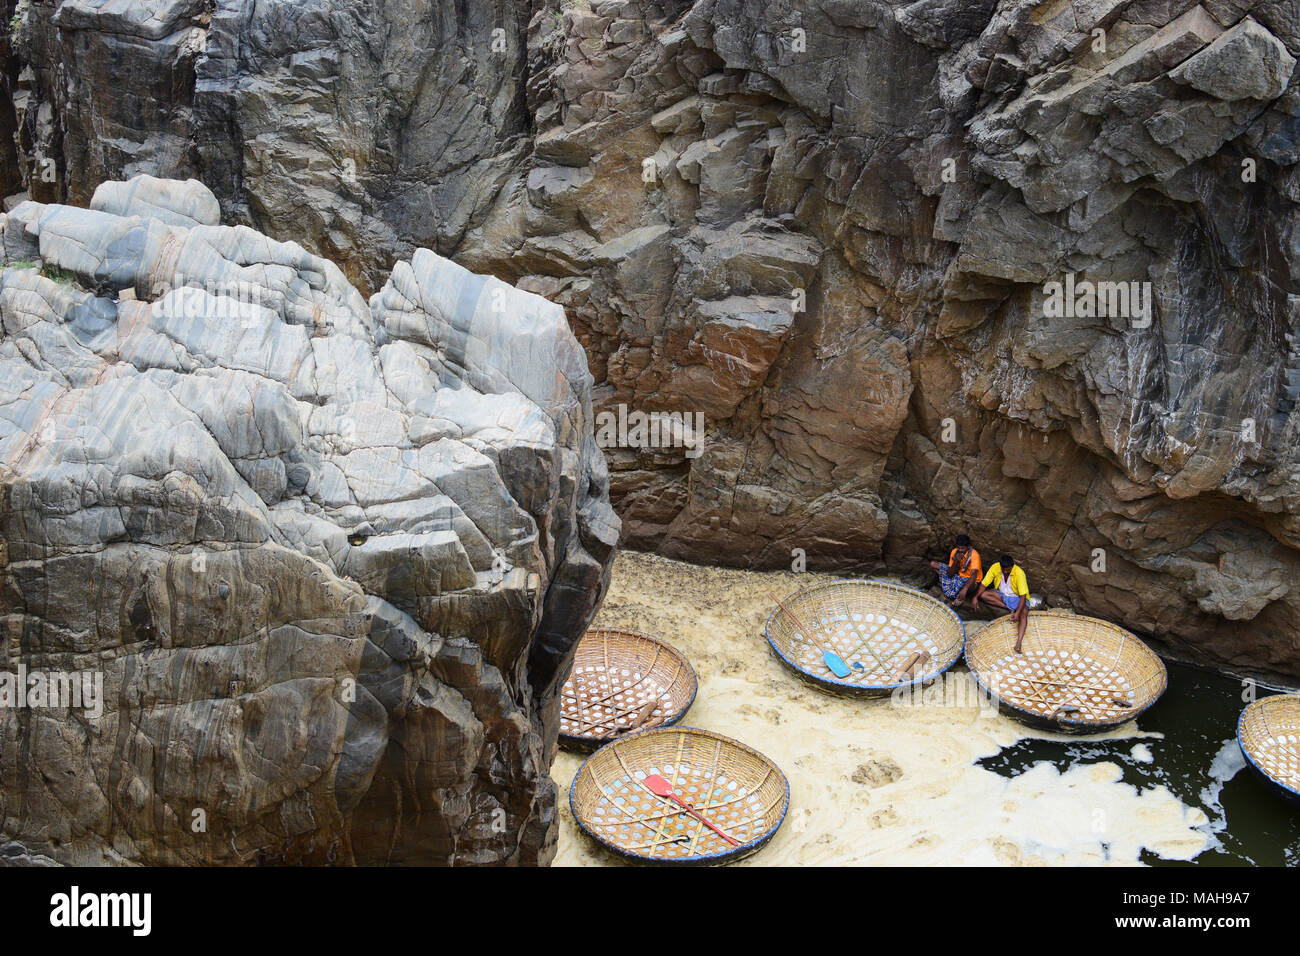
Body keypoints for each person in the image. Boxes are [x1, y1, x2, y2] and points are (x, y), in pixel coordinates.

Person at [973, 554, 1031, 652]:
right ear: (1000, 566)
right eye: (1003, 569)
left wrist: (1017, 614)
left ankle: (1018, 643)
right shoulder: (995, 567)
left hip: (1016, 598)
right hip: (1002, 595)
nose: (1005, 571)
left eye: (1008, 569)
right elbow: (983, 584)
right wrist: (975, 597)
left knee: (1024, 612)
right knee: (983, 595)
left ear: (1012, 566)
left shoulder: (1019, 573)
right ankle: (1008, 608)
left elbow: (1023, 596)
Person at [929, 534, 982, 607]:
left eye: (963, 548)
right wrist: (956, 561)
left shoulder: (974, 555)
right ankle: (954, 587)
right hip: (958, 575)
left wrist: (965, 590)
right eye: (958, 548)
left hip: (971, 581)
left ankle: (957, 590)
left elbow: (974, 575)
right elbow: (950, 574)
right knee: (933, 564)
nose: (960, 550)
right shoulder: (954, 552)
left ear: (968, 546)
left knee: (967, 583)